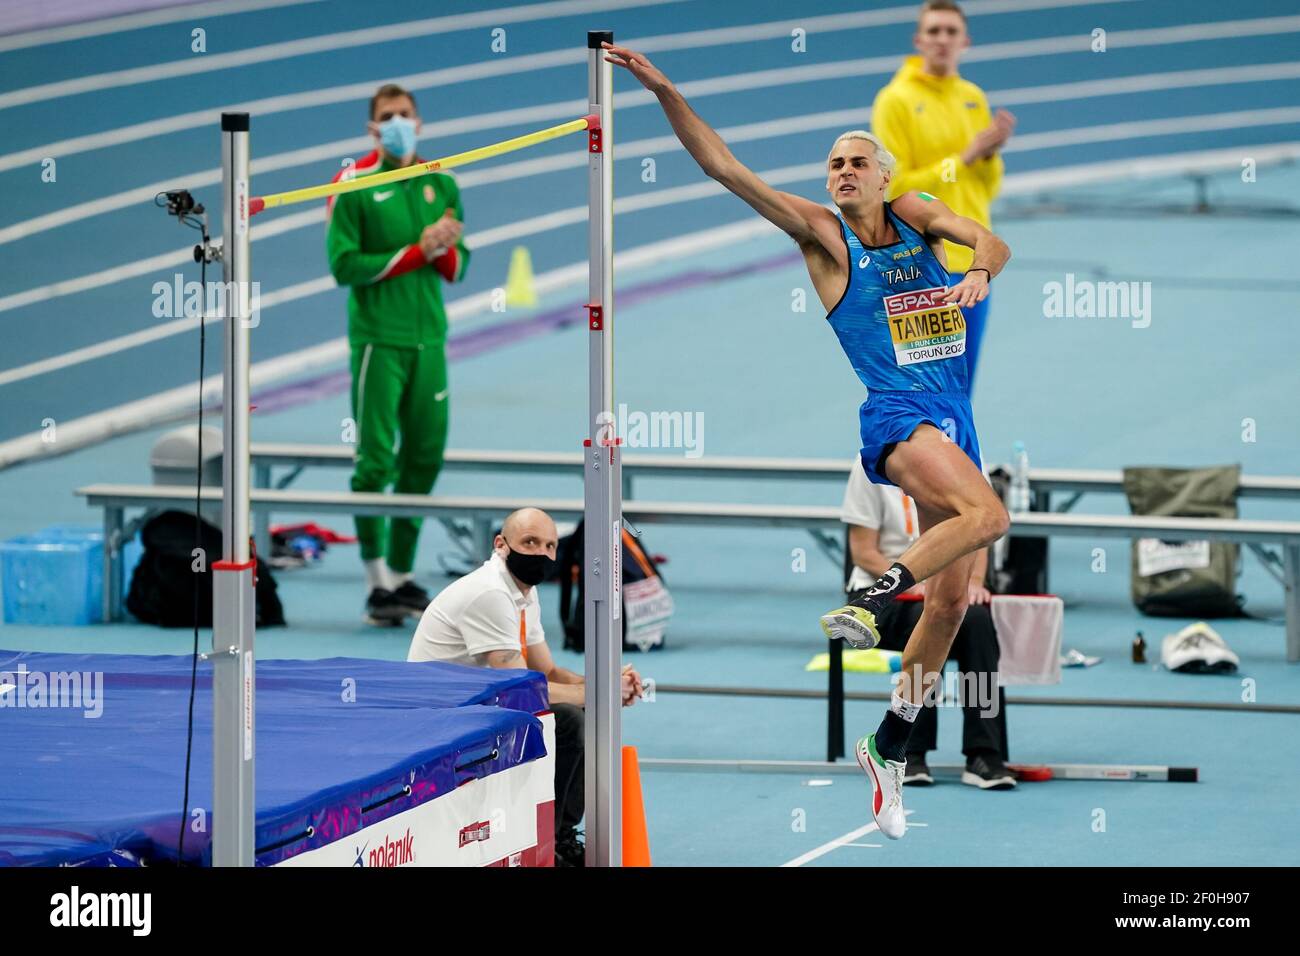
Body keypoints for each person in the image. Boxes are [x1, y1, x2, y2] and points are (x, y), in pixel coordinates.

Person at [602, 41, 1010, 839]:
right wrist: (665, 90)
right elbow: (726, 168)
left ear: (887, 177)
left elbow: (991, 240)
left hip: (955, 412)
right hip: (897, 414)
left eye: (859, 161)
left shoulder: (918, 214)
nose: (845, 171)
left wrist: (981, 272)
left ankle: (888, 746)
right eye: (835, 163)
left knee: (957, 600)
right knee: (989, 515)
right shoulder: (824, 237)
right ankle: (869, 597)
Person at [406, 508, 643, 866]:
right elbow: (521, 689)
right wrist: (600, 696)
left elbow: (546, 670)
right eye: (529, 542)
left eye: (549, 546)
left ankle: (561, 836)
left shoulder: (522, 593)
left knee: (584, 712)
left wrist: (607, 685)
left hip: (473, 700)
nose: (540, 553)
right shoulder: (490, 594)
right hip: (437, 712)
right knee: (569, 720)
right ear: (501, 544)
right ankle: (546, 840)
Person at [327, 83, 471, 627]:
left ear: (420, 121)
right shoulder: (353, 183)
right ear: (371, 128)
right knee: (375, 460)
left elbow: (459, 268)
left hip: (429, 339)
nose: (397, 124)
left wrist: (445, 246)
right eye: (387, 117)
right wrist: (421, 248)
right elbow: (344, 266)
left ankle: (403, 573)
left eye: (405, 115)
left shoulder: (443, 180)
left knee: (425, 455)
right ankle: (375, 579)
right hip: (377, 341)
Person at [840, 460, 1014, 790]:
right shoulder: (871, 464)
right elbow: (863, 552)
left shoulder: (963, 460)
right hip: (882, 593)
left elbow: (980, 534)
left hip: (943, 588)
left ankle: (984, 753)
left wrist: (974, 581)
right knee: (927, 617)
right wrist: (912, 581)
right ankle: (910, 748)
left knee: (976, 621)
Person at [871, 0, 1014, 393]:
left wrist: (988, 155)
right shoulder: (895, 100)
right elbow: (895, 189)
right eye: (934, 31)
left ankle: (959, 454)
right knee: (925, 385)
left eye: (951, 32)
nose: (942, 40)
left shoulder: (972, 96)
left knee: (962, 382)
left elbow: (987, 186)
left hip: (971, 264)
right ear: (919, 40)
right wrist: (962, 157)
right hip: (922, 267)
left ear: (964, 41)